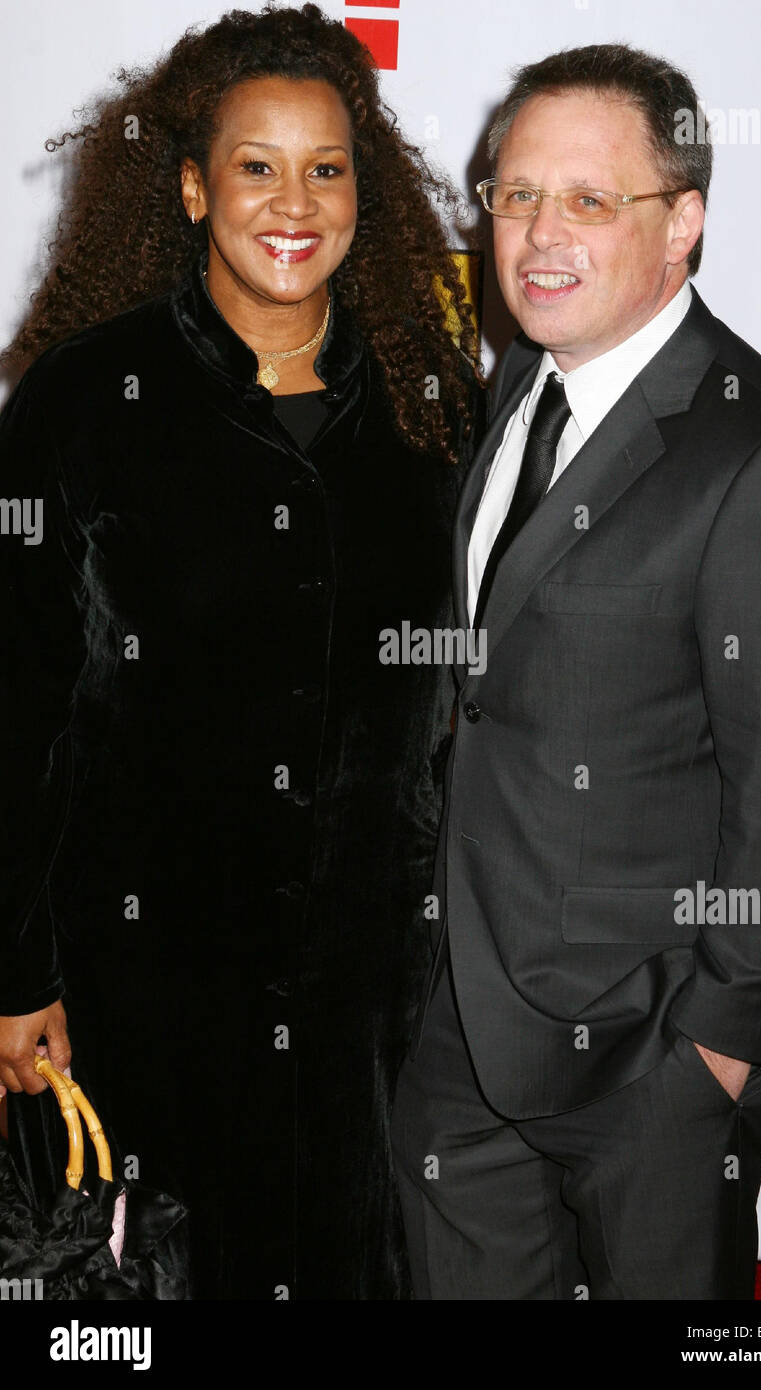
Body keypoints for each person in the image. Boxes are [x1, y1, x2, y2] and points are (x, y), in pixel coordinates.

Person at [0, 2, 480, 1300]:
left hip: (365, 997)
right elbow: (14, 706)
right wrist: (17, 972)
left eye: (325, 168)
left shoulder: (435, 409)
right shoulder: (85, 403)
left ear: (361, 193)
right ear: (195, 183)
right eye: (256, 165)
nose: (293, 201)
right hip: (141, 981)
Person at [391, 42, 761, 1300]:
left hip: (651, 1054)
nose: (538, 232)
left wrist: (710, 1058)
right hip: (465, 1029)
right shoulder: (517, 385)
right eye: (515, 193)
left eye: (589, 199)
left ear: (683, 224)